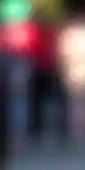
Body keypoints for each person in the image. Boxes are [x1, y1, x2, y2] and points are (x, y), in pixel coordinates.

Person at [26, 11, 59, 140]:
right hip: (43, 69)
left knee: (40, 100)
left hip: (44, 69)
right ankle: (40, 126)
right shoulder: (46, 34)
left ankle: (39, 126)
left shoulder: (41, 33)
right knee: (41, 100)